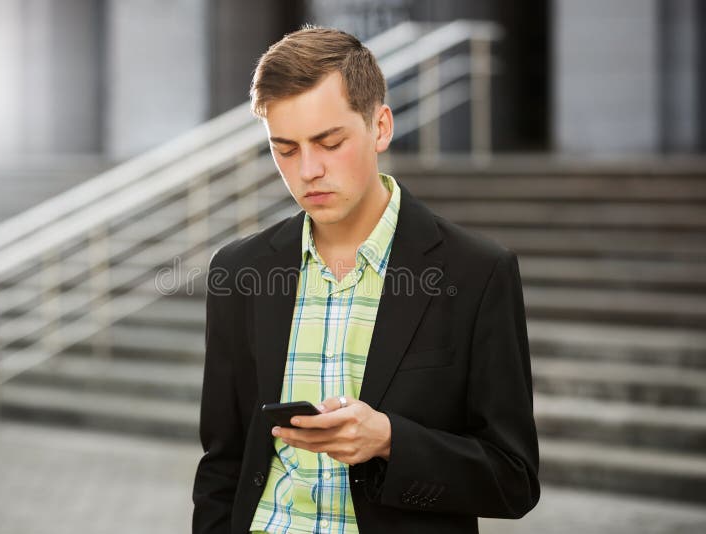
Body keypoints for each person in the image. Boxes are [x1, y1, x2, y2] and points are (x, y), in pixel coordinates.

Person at [192, 26, 540, 534]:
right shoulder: (239, 271)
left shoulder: (477, 273)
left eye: (329, 142)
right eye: (285, 149)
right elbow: (223, 463)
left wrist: (390, 440)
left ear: (380, 127)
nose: (308, 169)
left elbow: (514, 480)